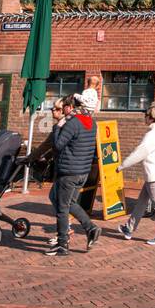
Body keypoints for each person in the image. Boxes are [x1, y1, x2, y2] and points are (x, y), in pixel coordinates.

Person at [48, 90, 101, 255]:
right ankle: (91, 228)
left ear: (76, 107)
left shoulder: (72, 123)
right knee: (69, 203)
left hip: (69, 171)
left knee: (63, 208)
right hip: (82, 172)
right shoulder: (92, 123)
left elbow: (58, 145)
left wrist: (57, 127)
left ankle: (62, 245)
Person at [117, 104, 155, 245]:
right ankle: (129, 228)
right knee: (142, 201)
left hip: (154, 173)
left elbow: (139, 152)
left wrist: (122, 166)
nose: (144, 118)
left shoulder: (152, 134)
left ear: (150, 118)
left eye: (145, 116)